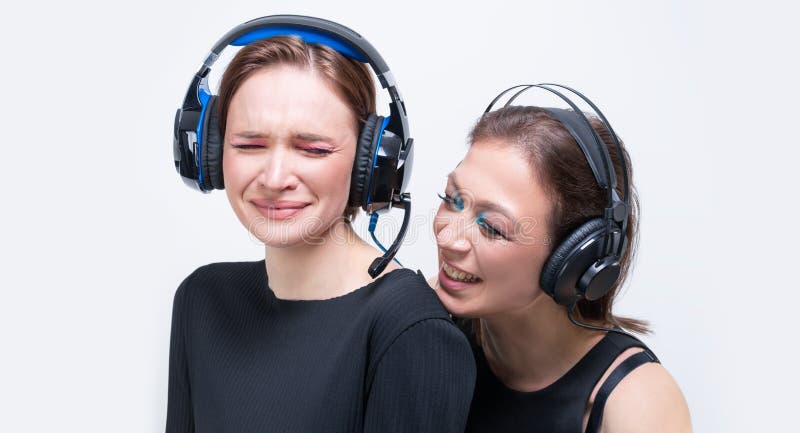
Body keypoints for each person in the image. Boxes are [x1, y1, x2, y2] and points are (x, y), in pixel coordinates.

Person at [166, 16, 475, 433]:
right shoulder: (201, 300)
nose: (275, 178)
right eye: (249, 145)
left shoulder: (411, 330)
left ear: (372, 165)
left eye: (312, 149)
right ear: (210, 154)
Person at [431, 85, 692, 433]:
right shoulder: (421, 323)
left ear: (573, 256)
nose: (447, 237)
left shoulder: (636, 402)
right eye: (452, 199)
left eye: (492, 228)